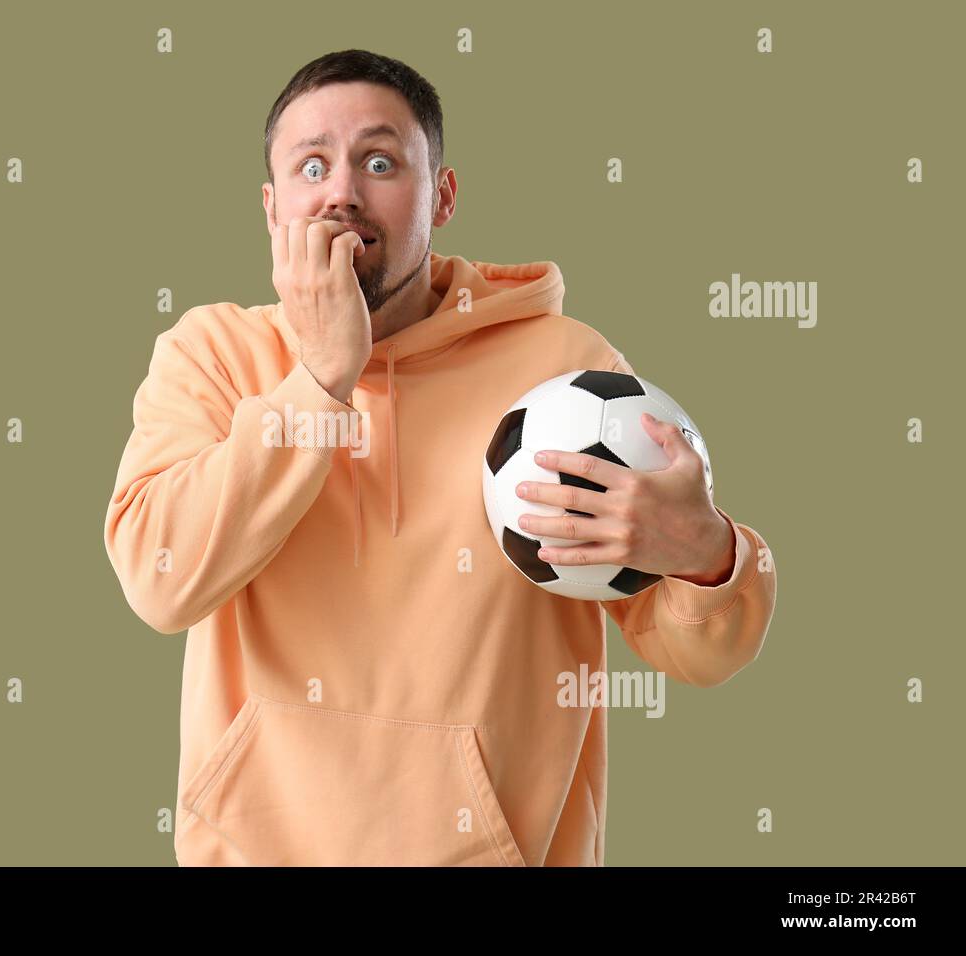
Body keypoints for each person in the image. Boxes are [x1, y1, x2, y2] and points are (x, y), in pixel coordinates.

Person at [104, 49, 776, 866]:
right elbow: (159, 581)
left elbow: (698, 653)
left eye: (380, 161)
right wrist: (319, 378)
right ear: (273, 208)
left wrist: (709, 558)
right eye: (312, 165)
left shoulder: (562, 369)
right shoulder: (210, 354)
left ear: (443, 196)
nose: (343, 191)